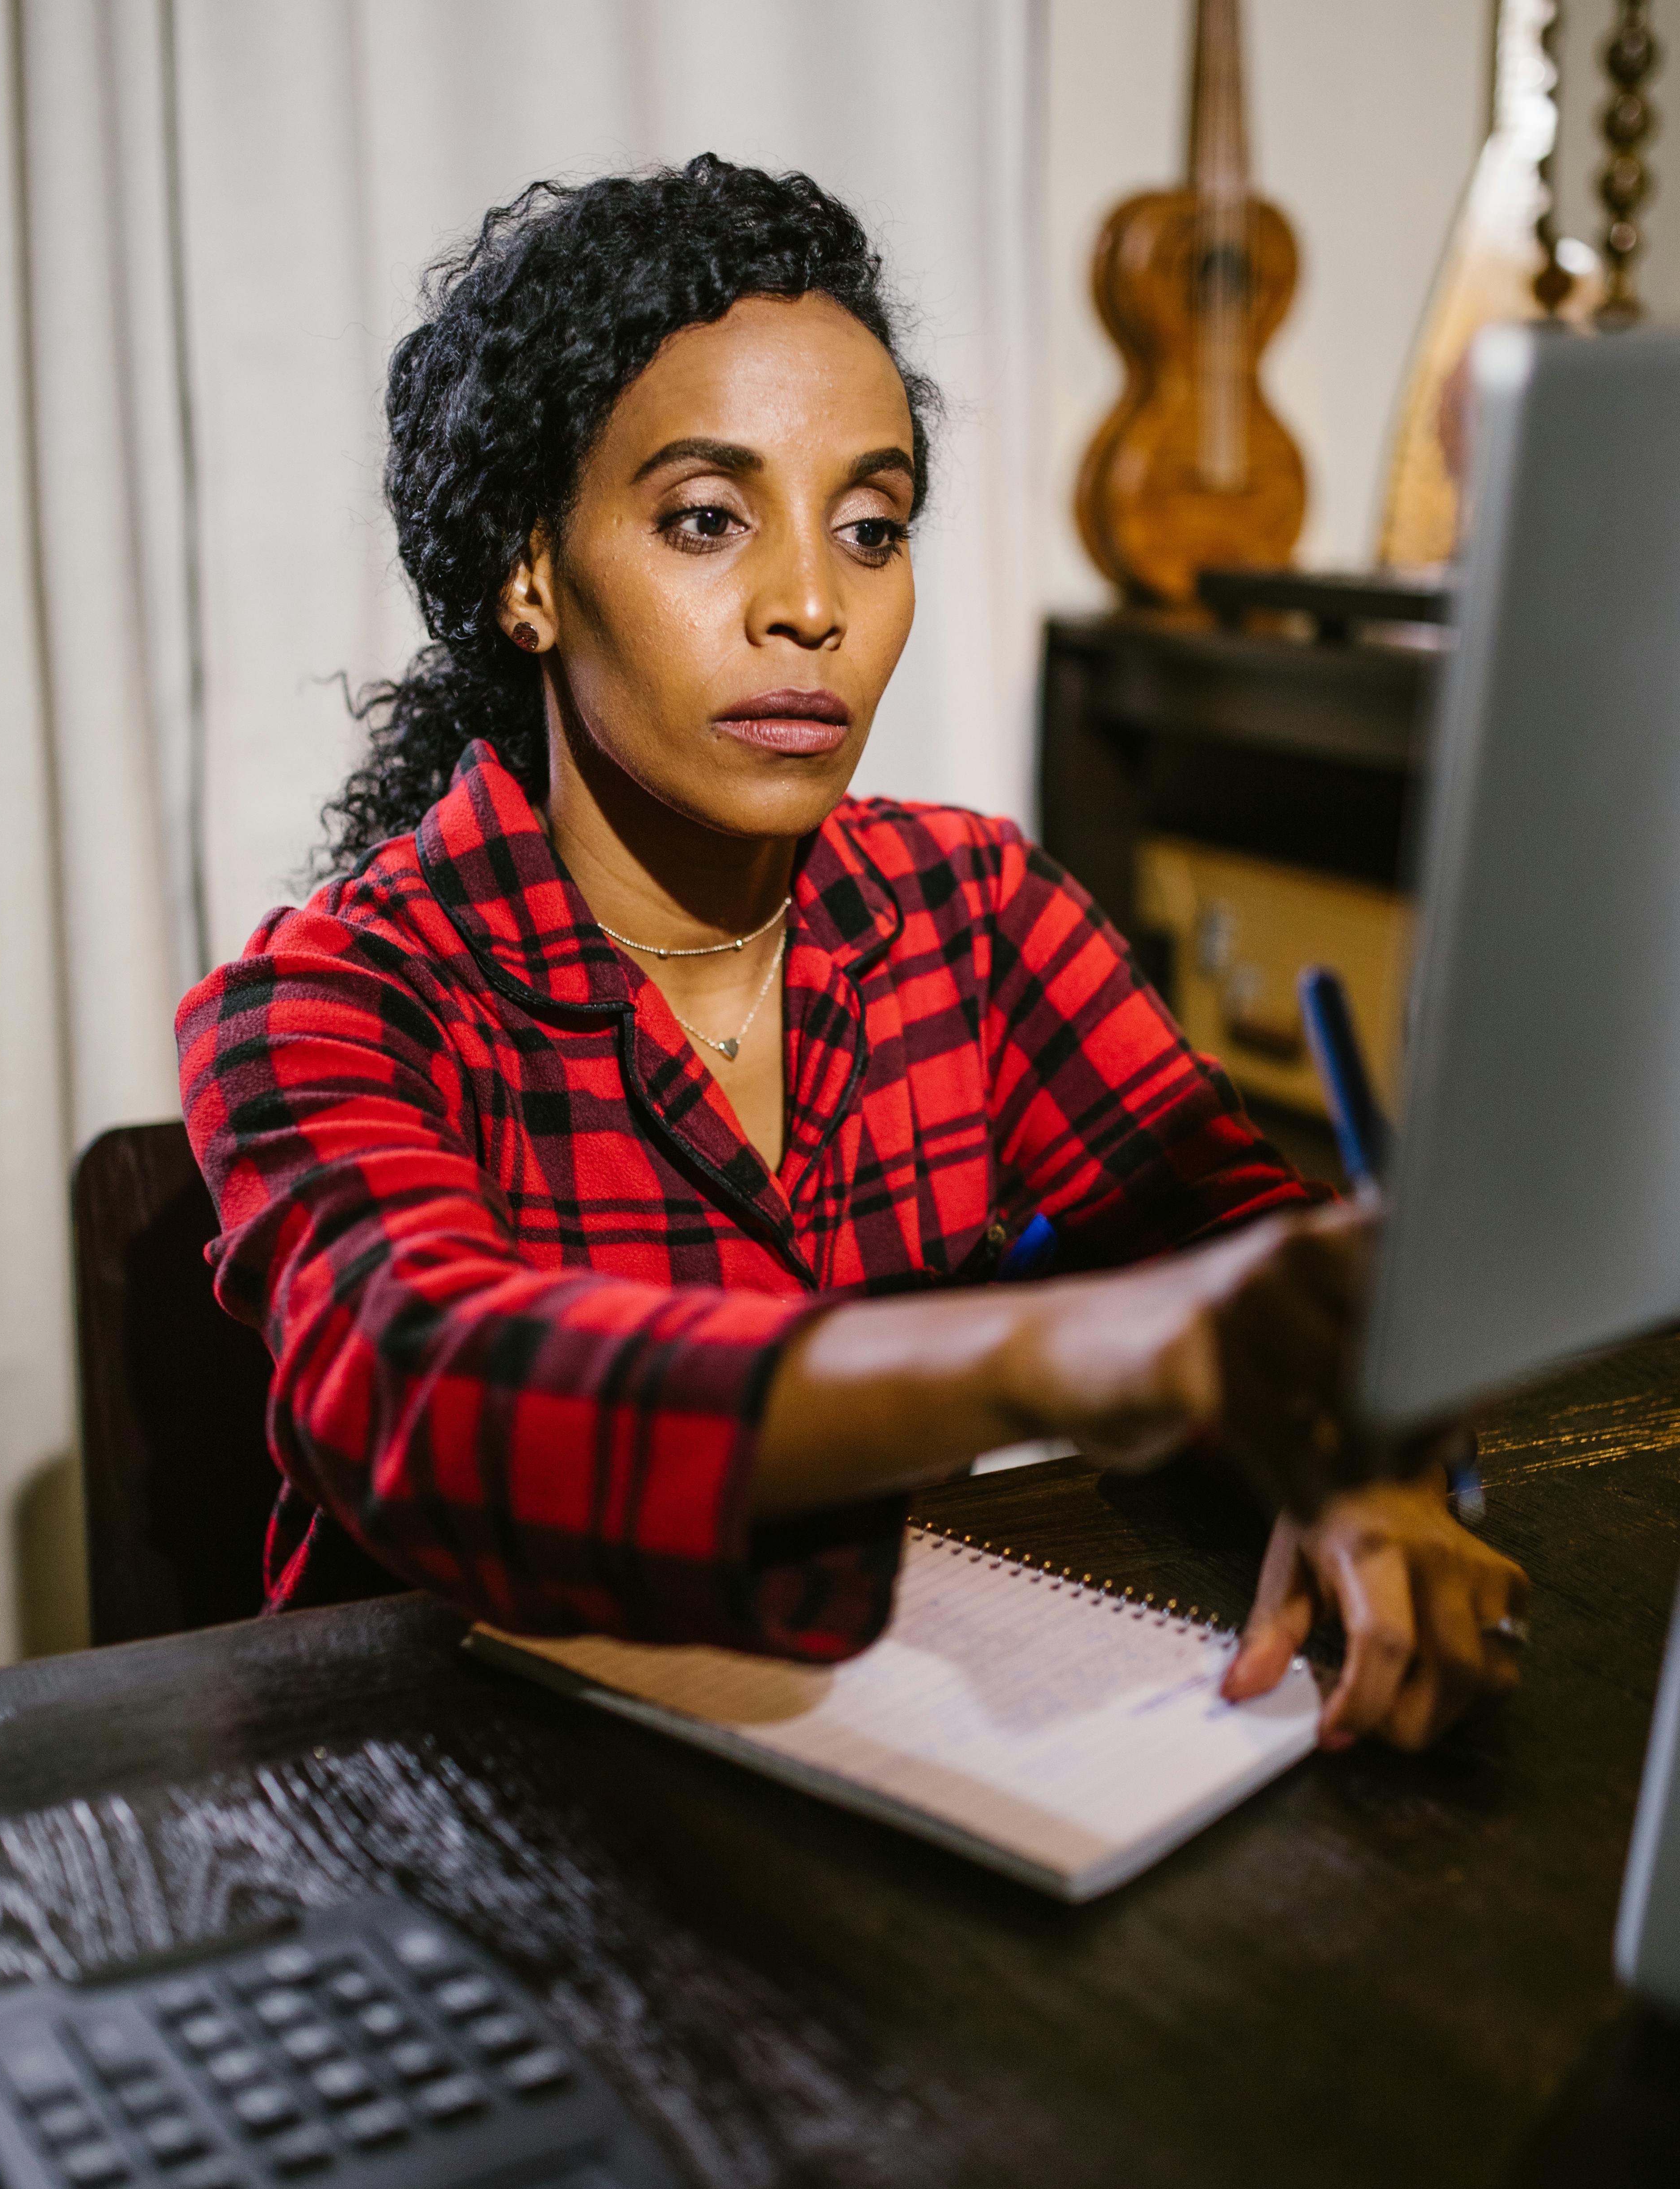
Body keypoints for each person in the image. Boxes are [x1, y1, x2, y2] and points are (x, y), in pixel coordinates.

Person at [176, 155, 1526, 1754]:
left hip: (885, 1773)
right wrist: (1059, 1348)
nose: (812, 601)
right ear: (529, 571)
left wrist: (1344, 1465)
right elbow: (429, 1396)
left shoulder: (970, 909)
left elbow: (1236, 1244)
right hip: (471, 1817)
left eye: (872, 527)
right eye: (703, 518)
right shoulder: (326, 999)